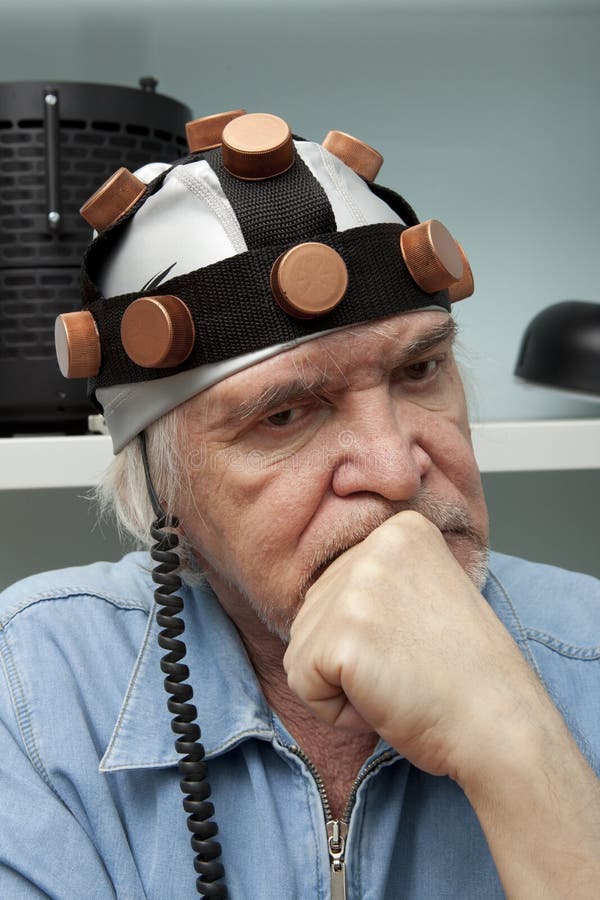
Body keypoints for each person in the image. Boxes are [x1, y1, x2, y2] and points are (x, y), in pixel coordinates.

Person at [1, 110, 599, 900]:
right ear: (164, 489)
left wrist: (517, 750)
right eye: (284, 415)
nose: (394, 469)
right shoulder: (37, 690)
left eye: (419, 372)